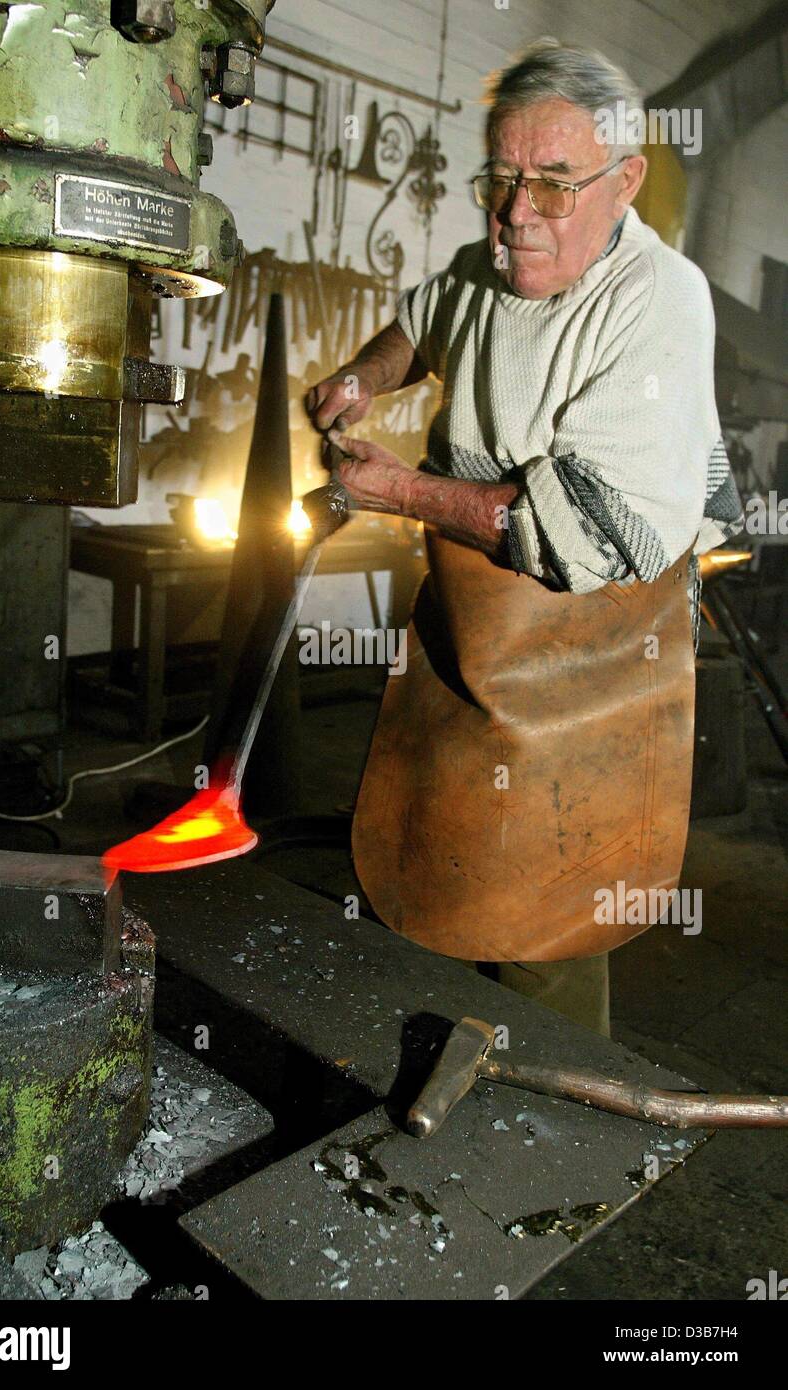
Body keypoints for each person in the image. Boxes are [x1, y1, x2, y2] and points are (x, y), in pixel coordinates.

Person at [303, 39, 743, 1037]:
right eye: (498, 180)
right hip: (470, 619)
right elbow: (422, 319)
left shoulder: (656, 303)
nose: (512, 213)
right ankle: (422, 1081)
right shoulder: (491, 259)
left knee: (547, 911)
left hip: (590, 643)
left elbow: (577, 529)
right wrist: (362, 381)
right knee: (431, 861)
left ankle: (554, 1139)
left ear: (624, 180)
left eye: (551, 185)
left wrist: (404, 491)